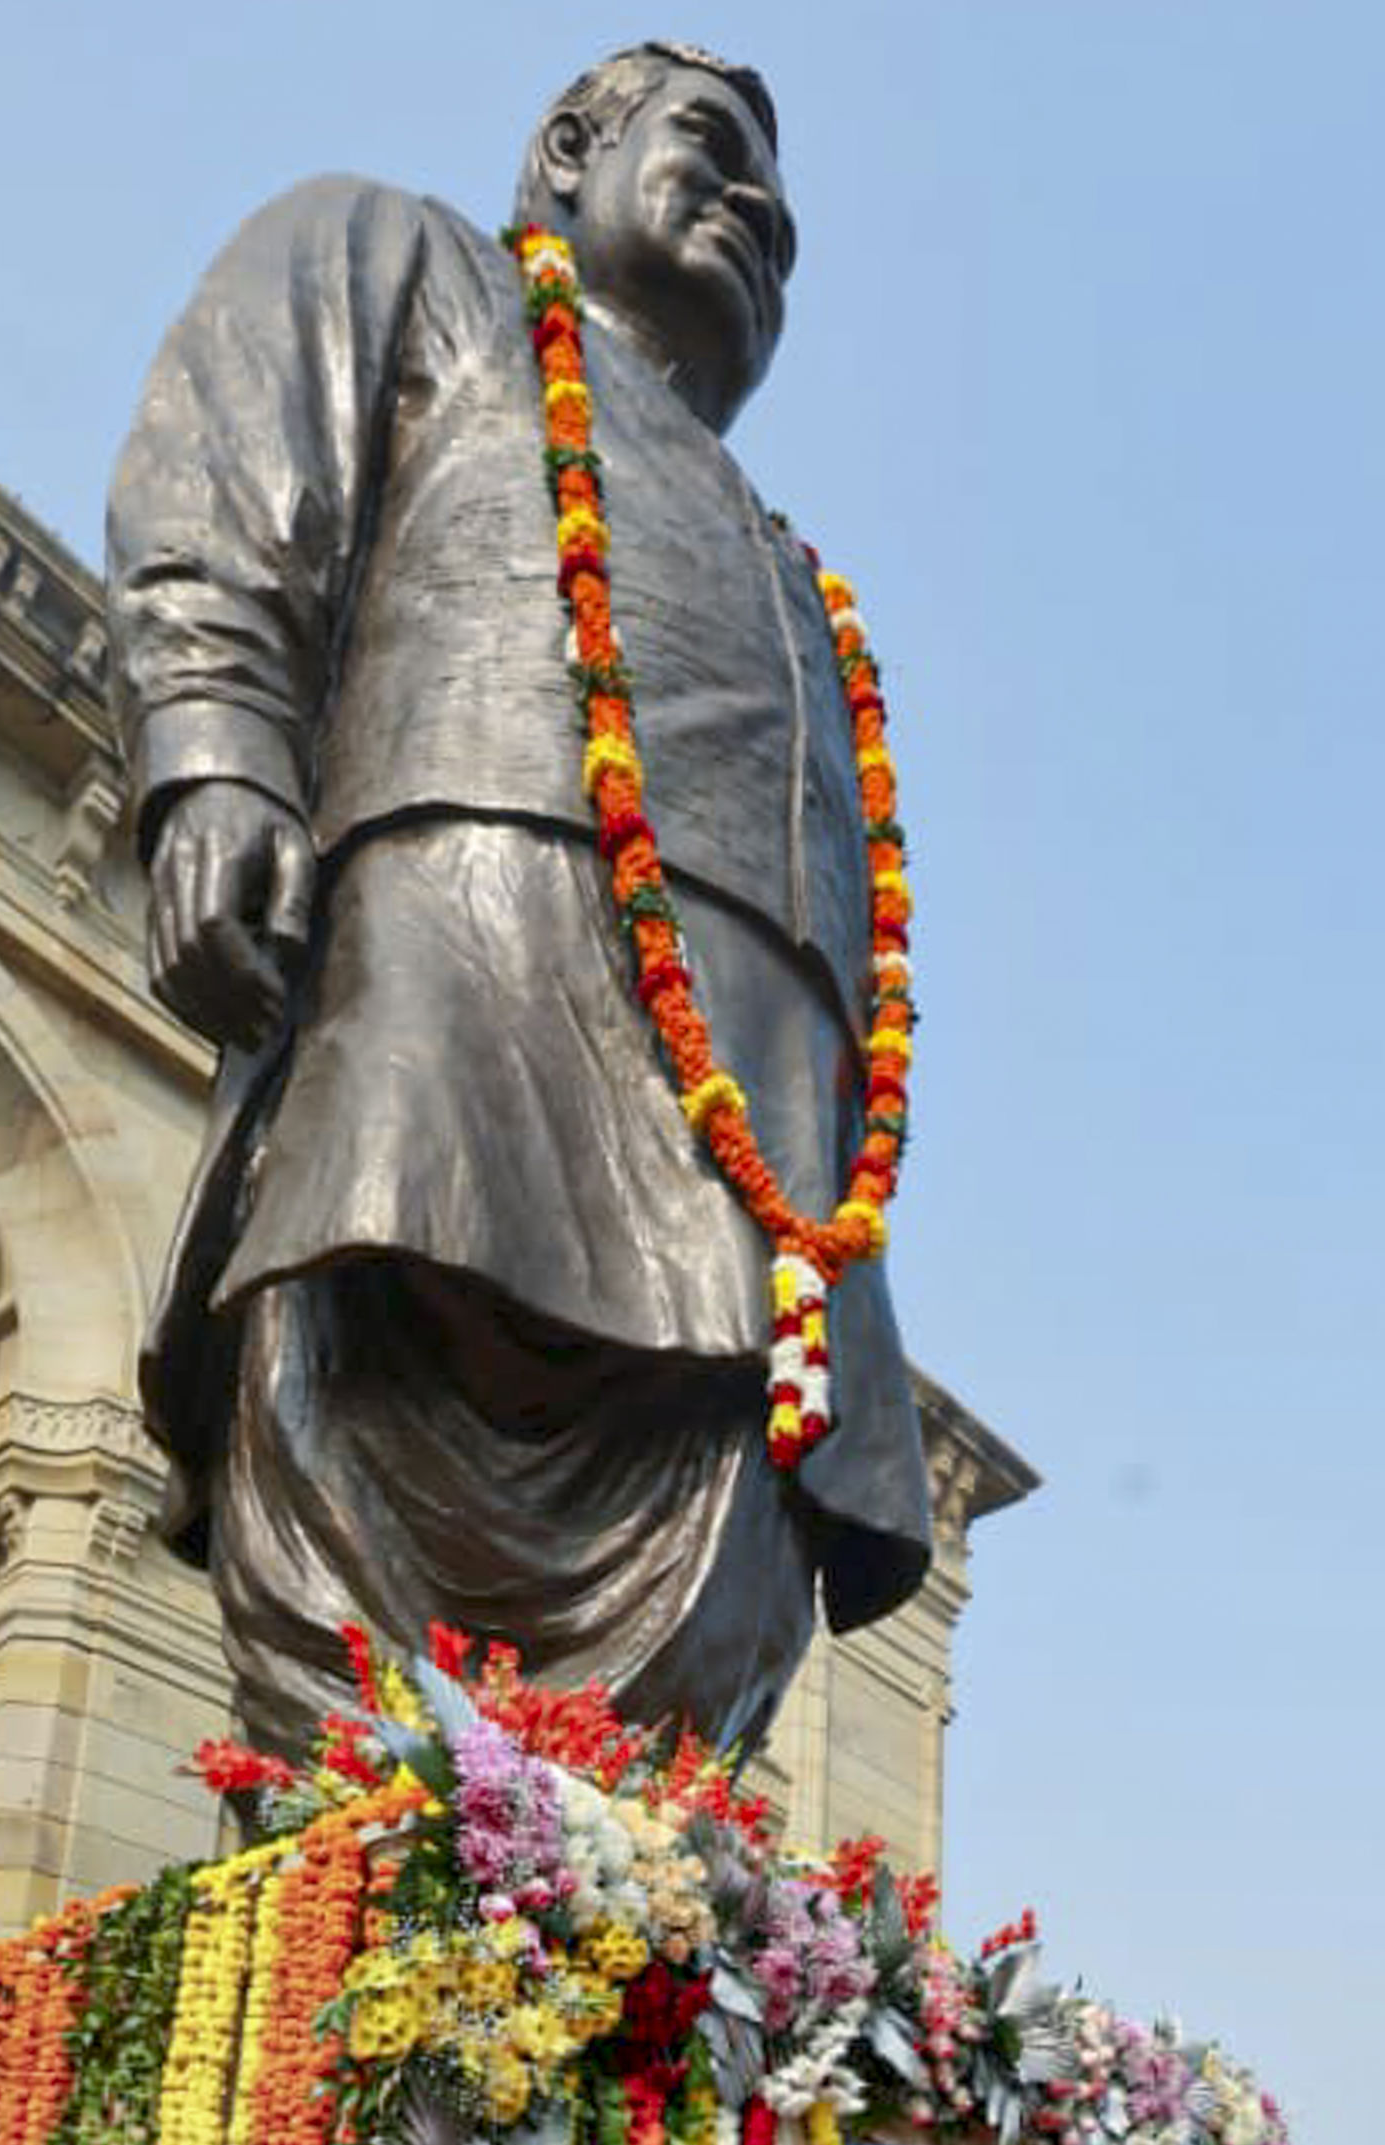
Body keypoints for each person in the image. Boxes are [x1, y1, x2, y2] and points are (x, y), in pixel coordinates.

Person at [105, 45, 933, 1766]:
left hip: (758, 1129)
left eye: (785, 217)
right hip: (453, 956)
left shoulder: (804, 581)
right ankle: (387, 1876)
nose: (758, 212)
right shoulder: (397, 256)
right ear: (570, 145)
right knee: (369, 1401)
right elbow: (229, 477)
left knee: (722, 1537)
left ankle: (617, 1929)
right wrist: (214, 749)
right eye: (711, 149)